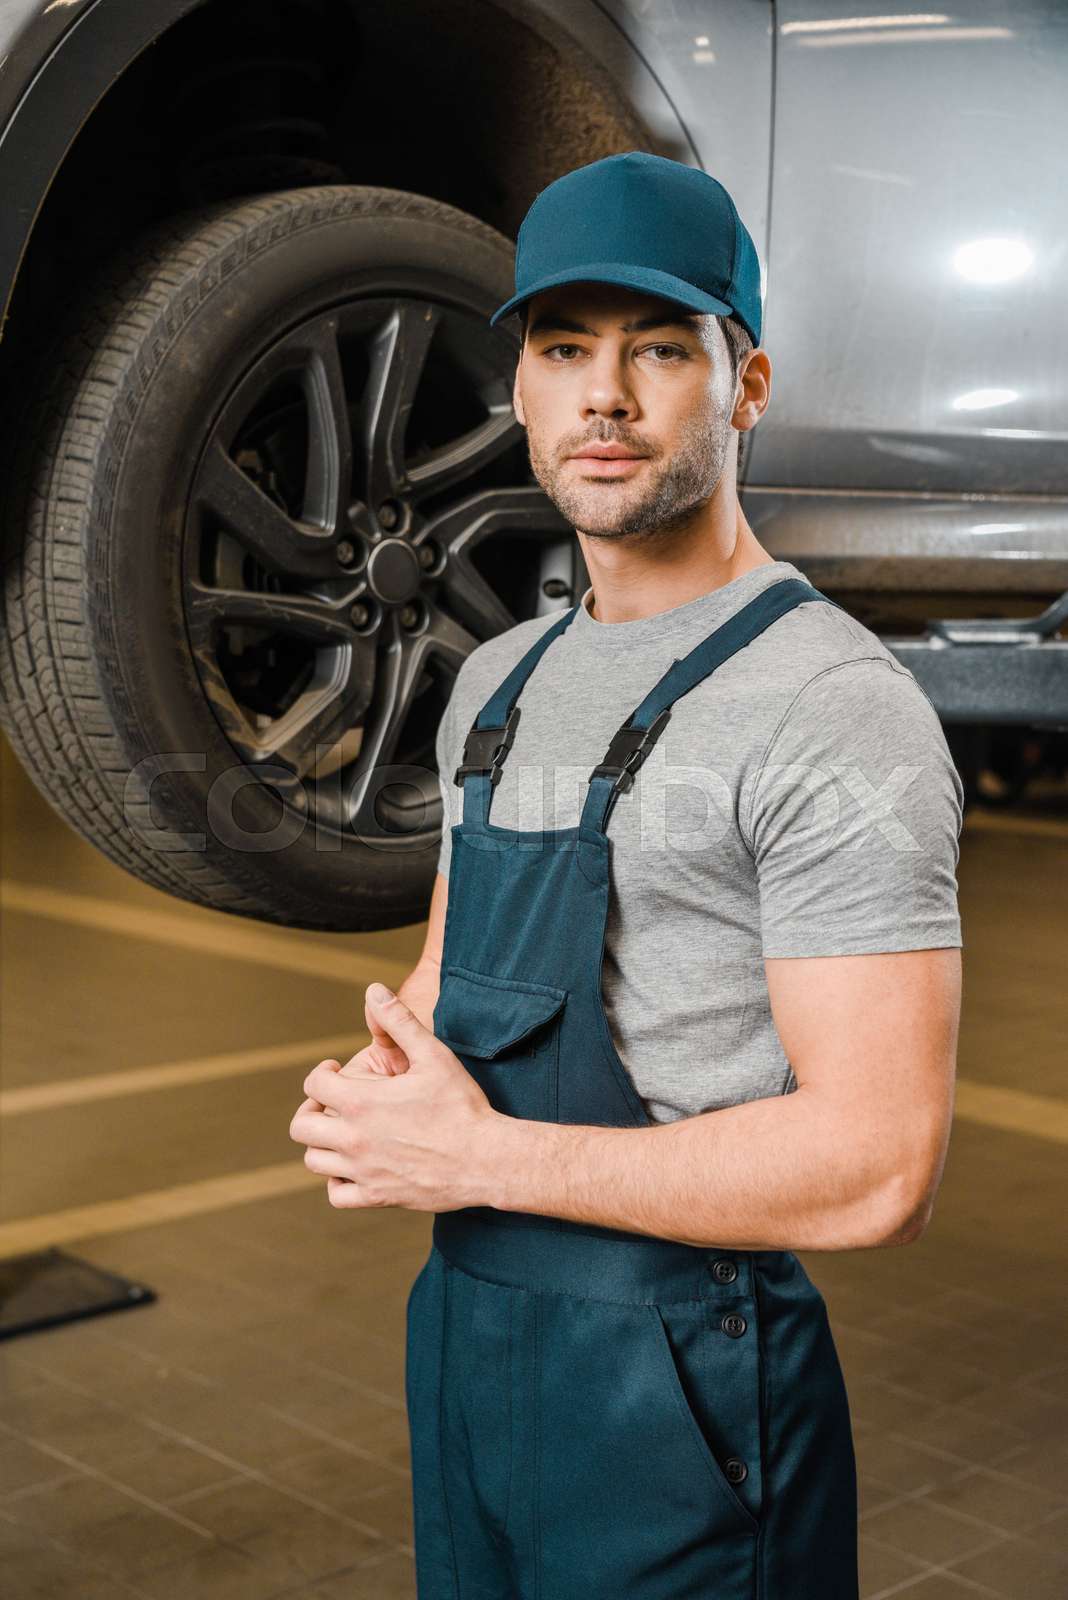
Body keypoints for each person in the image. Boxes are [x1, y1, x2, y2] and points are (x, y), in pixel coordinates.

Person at [290, 151, 964, 1598]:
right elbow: (454, 971)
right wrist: (382, 1083)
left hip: (686, 1398)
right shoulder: (498, 679)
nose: (605, 394)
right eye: (564, 348)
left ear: (749, 383)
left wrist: (482, 1159)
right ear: (520, 388)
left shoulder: (833, 706)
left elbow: (878, 1167)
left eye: (661, 348)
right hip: (469, 1352)